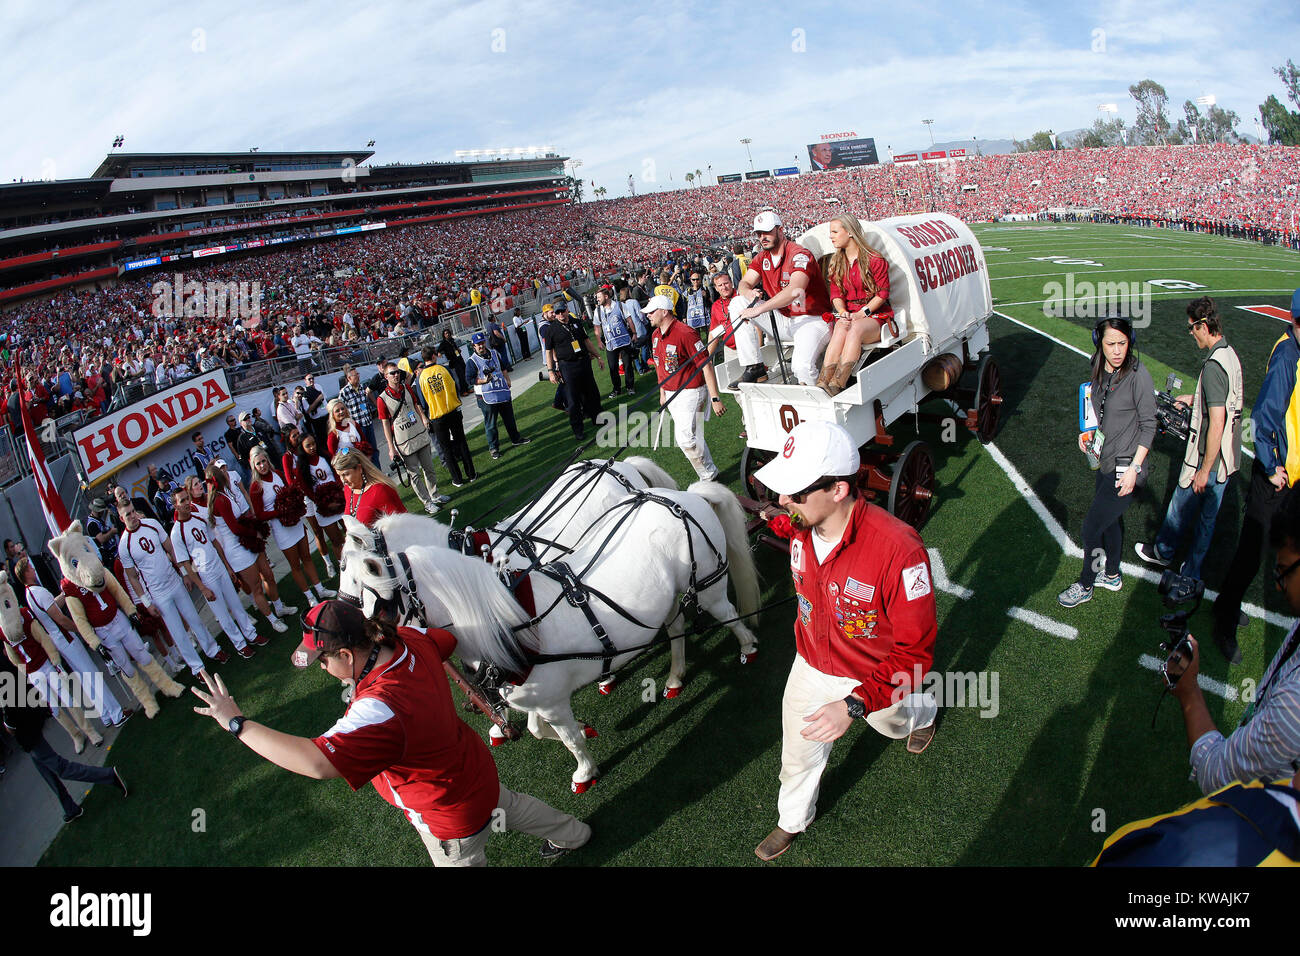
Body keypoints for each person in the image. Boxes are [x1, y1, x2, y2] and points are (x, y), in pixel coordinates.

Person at [191, 600, 591, 865]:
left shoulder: (378, 709)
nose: (320, 667)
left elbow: (315, 762)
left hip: (446, 811)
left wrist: (236, 723)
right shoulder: (408, 640)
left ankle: (571, 834)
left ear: (347, 655)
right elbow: (446, 641)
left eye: (321, 660)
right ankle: (575, 833)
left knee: (477, 839)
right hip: (474, 772)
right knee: (510, 806)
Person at [750, 420, 937, 861]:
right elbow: (786, 524)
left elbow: (915, 654)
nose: (783, 502)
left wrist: (854, 705)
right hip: (810, 664)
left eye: (795, 493)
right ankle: (792, 818)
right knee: (798, 750)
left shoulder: (900, 550)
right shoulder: (801, 522)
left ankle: (921, 711)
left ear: (837, 490)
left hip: (872, 677)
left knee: (892, 723)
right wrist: (765, 517)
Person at [1165, 486, 1300, 796]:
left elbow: (1217, 776)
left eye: (1283, 573)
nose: (1278, 588)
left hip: (1260, 825)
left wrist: (1189, 692)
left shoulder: (1294, 705)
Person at [1210, 289, 1300, 663]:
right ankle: (1223, 620)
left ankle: (1226, 606)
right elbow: (1263, 419)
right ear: (1296, 322)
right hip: (1276, 478)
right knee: (1250, 555)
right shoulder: (1287, 358)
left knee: (1272, 551)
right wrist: (1270, 464)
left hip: (1292, 477)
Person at [1135, 297, 1244, 584]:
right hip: (1229, 459)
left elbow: (1217, 421)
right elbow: (1225, 403)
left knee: (1179, 505)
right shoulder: (1230, 354)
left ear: (1202, 325)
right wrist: (1196, 401)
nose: (1190, 334)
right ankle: (1192, 571)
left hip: (1210, 458)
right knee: (1208, 522)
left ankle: (1163, 551)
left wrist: (1204, 470)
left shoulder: (1212, 367)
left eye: (1191, 328)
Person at [1058, 318, 1156, 608]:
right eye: (1110, 343)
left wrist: (1135, 470)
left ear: (1131, 342)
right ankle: (1112, 575)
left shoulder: (1139, 376)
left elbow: (1149, 426)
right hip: (1105, 458)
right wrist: (1089, 434)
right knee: (1110, 521)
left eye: (1123, 343)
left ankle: (1086, 583)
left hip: (1127, 466)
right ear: (1099, 343)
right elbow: (1099, 407)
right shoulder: (1098, 365)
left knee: (1091, 528)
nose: (1117, 350)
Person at [1, 654, 128, 823]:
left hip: (24, 725)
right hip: (28, 716)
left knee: (59, 768)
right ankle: (69, 807)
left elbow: (10, 711)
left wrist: (9, 724)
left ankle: (108, 775)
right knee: (44, 768)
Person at [117, 499, 229, 676]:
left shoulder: (152, 524)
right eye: (128, 514)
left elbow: (171, 549)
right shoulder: (124, 546)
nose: (132, 516)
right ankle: (197, 667)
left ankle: (213, 650)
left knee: (194, 619)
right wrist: (146, 603)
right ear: (121, 518)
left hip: (174, 581)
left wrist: (184, 573)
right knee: (178, 632)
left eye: (133, 511)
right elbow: (132, 577)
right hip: (158, 594)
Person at [20, 556, 131, 728]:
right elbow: (60, 618)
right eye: (30, 569)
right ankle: (116, 714)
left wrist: (65, 594)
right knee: (91, 673)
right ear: (27, 573)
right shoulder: (39, 592)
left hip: (58, 638)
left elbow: (52, 607)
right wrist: (81, 630)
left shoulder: (30, 593)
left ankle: (105, 714)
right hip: (65, 637)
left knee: (84, 676)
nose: (34, 570)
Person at [734, 210, 833, 386]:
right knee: (737, 302)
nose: (762, 237)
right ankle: (754, 366)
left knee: (801, 367)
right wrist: (749, 292)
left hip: (812, 319)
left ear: (780, 230)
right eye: (759, 233)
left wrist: (759, 309)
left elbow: (795, 290)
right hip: (784, 319)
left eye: (767, 232)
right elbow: (743, 283)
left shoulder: (799, 254)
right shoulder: (761, 257)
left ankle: (818, 403)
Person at [169, 485, 264, 660]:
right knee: (222, 614)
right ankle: (240, 644)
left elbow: (215, 542)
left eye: (186, 499)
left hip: (219, 567)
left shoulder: (199, 517)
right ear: (175, 506)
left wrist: (227, 567)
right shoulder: (176, 532)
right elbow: (185, 564)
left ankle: (251, 634)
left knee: (236, 603)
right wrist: (202, 587)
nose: (186, 503)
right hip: (206, 575)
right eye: (182, 501)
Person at [204, 461, 292, 631]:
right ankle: (273, 620)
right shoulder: (220, 500)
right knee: (257, 587)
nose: (226, 474)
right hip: (237, 549)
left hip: (248, 539)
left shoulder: (227, 493)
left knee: (268, 574)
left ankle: (279, 607)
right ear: (219, 479)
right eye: (222, 473)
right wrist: (255, 533)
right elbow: (235, 528)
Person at [646, 294, 726, 481]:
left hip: (691, 391)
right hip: (672, 394)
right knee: (693, 435)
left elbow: (705, 364)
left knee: (685, 439)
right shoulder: (656, 335)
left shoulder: (686, 333)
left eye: (651, 311)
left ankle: (708, 477)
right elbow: (660, 366)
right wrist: (662, 392)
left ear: (664, 312)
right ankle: (709, 472)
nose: (648, 315)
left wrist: (715, 398)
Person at [249, 444, 335, 605]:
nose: (262, 465)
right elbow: (259, 515)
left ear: (268, 460)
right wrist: (280, 511)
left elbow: (291, 493)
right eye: (258, 464)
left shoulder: (277, 474)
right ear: (254, 467)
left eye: (263, 461)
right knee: (295, 566)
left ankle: (320, 589)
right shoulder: (256, 487)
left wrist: (293, 506)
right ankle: (310, 596)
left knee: (307, 557)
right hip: (281, 529)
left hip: (295, 523)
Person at [819, 214, 895, 396]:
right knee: (840, 327)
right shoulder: (837, 261)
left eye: (835, 232)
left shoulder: (874, 259)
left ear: (850, 232)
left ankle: (838, 383)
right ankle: (823, 382)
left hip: (876, 315)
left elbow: (882, 294)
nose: (831, 236)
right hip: (851, 314)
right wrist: (842, 311)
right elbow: (836, 294)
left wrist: (862, 312)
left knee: (855, 329)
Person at [377, 362, 451, 513]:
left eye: (397, 372)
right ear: (386, 377)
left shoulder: (407, 388)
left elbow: (416, 404)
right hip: (404, 440)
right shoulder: (382, 399)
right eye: (392, 373)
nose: (396, 375)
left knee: (429, 468)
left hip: (418, 433)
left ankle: (435, 495)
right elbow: (385, 424)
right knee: (414, 474)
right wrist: (391, 448)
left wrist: (423, 418)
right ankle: (427, 502)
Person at [542, 302, 604, 441]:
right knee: (573, 400)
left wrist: (598, 356)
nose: (560, 315)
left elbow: (586, 341)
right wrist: (551, 371)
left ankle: (597, 419)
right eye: (557, 313)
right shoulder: (551, 329)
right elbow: (548, 352)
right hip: (567, 366)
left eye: (562, 311)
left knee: (592, 392)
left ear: (567, 309)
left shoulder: (576, 322)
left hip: (583, 361)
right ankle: (578, 429)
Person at [417, 347, 477, 486]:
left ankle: (457, 479)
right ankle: (471, 474)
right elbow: (455, 386)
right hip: (452, 410)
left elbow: (422, 400)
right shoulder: (443, 369)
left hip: (437, 416)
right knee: (461, 442)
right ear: (433, 356)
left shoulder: (421, 377)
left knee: (446, 449)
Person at [464, 333, 529, 460]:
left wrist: (507, 379)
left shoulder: (493, 353)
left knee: (509, 418)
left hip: (501, 390)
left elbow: (503, 367)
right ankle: (493, 448)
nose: (481, 346)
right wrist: (484, 380)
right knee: (491, 424)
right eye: (478, 344)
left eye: (482, 343)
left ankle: (516, 439)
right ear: (473, 346)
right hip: (486, 396)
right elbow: (469, 379)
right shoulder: (472, 361)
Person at [708, 270, 767, 387]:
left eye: (726, 283)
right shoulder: (715, 306)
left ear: (731, 283)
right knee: (736, 388)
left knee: (758, 386)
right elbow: (714, 333)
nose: (724, 287)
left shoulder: (743, 297)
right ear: (715, 288)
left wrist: (758, 354)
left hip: (751, 350)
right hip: (730, 351)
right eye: (720, 285)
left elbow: (757, 327)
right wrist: (707, 358)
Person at [334, 447, 407, 525]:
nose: (343, 480)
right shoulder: (348, 489)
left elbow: (403, 523)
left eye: (346, 474)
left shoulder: (380, 490)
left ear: (359, 468)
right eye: (340, 475)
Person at [592, 285, 638, 397]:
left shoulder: (620, 305)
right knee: (613, 368)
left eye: (599, 297)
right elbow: (597, 327)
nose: (597, 299)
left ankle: (630, 387)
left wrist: (634, 333)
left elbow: (629, 320)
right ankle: (617, 389)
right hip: (610, 343)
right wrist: (598, 341)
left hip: (624, 341)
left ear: (606, 296)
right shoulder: (597, 311)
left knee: (627, 366)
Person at [337, 364, 379, 457]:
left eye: (358, 374)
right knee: (364, 451)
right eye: (355, 375)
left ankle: (377, 470)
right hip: (358, 426)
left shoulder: (361, 388)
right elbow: (341, 410)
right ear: (349, 378)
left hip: (368, 423)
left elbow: (365, 403)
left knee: (374, 449)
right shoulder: (344, 392)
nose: (358, 377)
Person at [302, 372, 330, 448]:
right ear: (305, 381)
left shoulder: (318, 386)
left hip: (326, 415)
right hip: (317, 420)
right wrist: (317, 400)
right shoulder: (305, 393)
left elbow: (324, 400)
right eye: (309, 379)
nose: (311, 380)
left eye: (312, 378)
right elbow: (308, 410)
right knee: (323, 439)